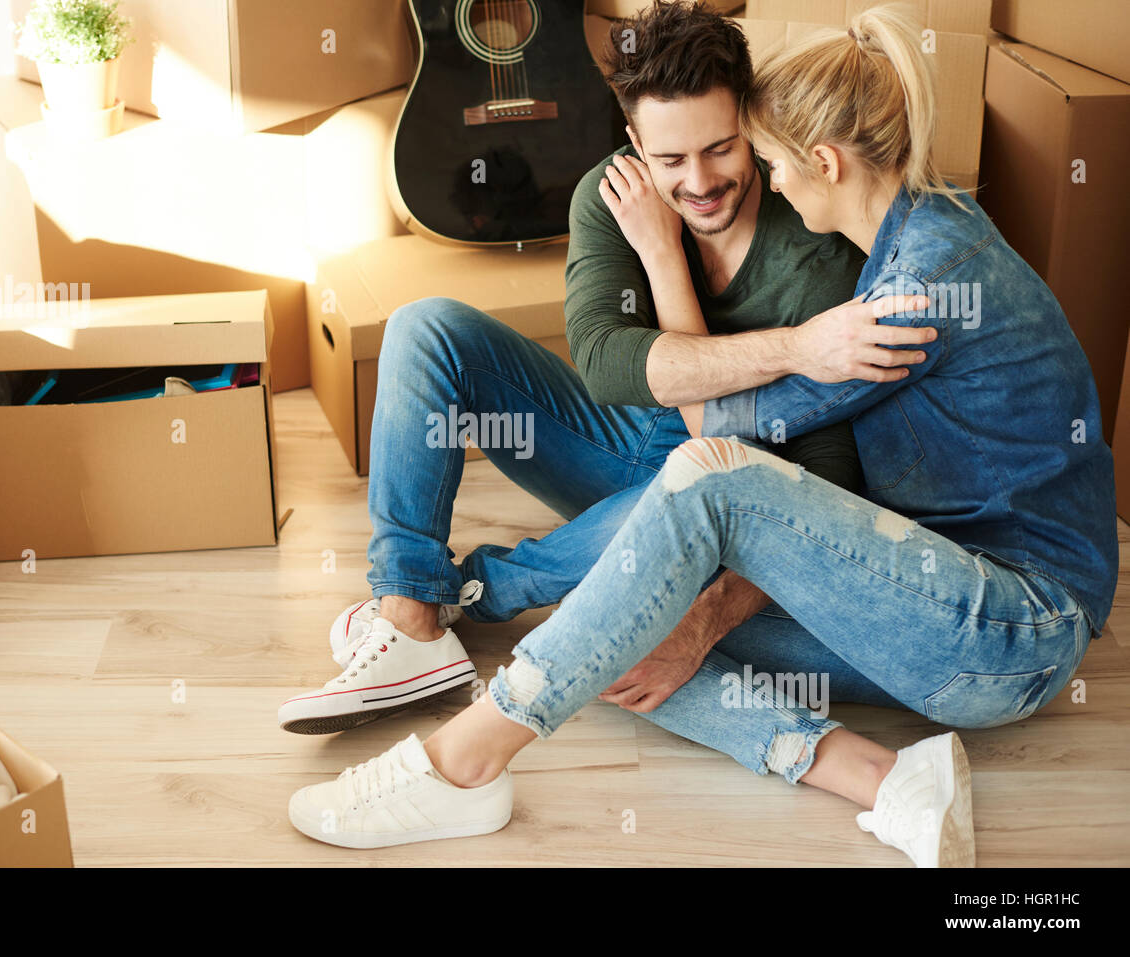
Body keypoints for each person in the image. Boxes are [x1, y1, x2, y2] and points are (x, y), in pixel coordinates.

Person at [286, 2, 1117, 867]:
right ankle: (882, 778)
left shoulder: (906, 296)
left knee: (685, 518)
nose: (753, 174)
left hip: (1011, 624)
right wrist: (789, 343)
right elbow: (620, 371)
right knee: (620, 632)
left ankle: (463, 757)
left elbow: (737, 447)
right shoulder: (897, 250)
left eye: (758, 156)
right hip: (927, 591)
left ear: (820, 162)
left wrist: (709, 601)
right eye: (670, 155)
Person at [278, 0, 933, 735]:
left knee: (710, 474)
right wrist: (781, 337)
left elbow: (825, 477)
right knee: (424, 327)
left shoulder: (814, 239)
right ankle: (407, 615)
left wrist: (674, 278)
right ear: (633, 143)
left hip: (723, 495)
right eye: (670, 159)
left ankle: (454, 595)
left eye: (720, 149)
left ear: (750, 124)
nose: (699, 183)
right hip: (613, 440)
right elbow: (603, 365)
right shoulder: (615, 192)